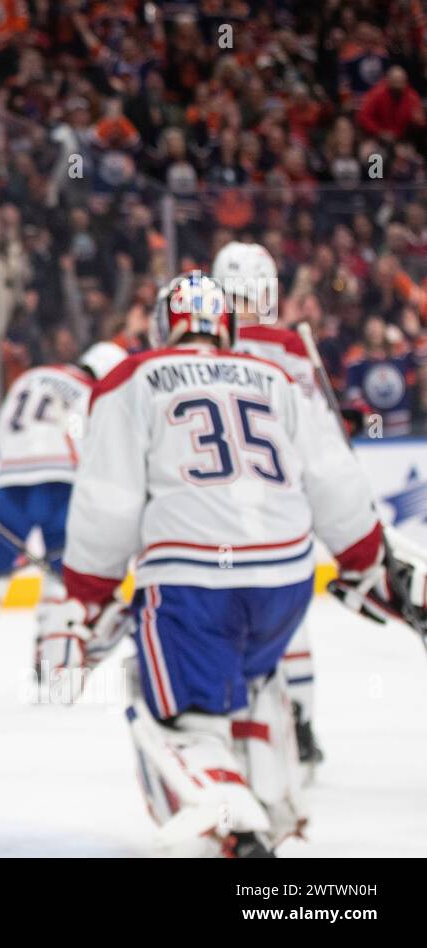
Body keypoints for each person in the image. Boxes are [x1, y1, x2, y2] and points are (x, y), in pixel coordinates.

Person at [43, 271, 412, 857]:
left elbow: (108, 502)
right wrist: (367, 561)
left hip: (194, 583)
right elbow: (335, 477)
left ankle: (231, 831)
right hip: (286, 583)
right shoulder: (277, 377)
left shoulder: (131, 377)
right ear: (229, 328)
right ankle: (275, 800)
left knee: (171, 709)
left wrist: (88, 595)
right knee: (251, 683)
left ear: (166, 326)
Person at [0, 340, 127, 693]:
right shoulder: (93, 391)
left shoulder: (32, 377)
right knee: (59, 575)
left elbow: (3, 428)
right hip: (62, 486)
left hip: (12, 483)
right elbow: (91, 441)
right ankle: (46, 655)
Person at [213, 240, 324, 778]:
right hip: (283, 497)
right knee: (287, 615)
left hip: (218, 499)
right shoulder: (291, 346)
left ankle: (232, 725)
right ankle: (300, 725)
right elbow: (317, 426)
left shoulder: (211, 348)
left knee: (229, 615)